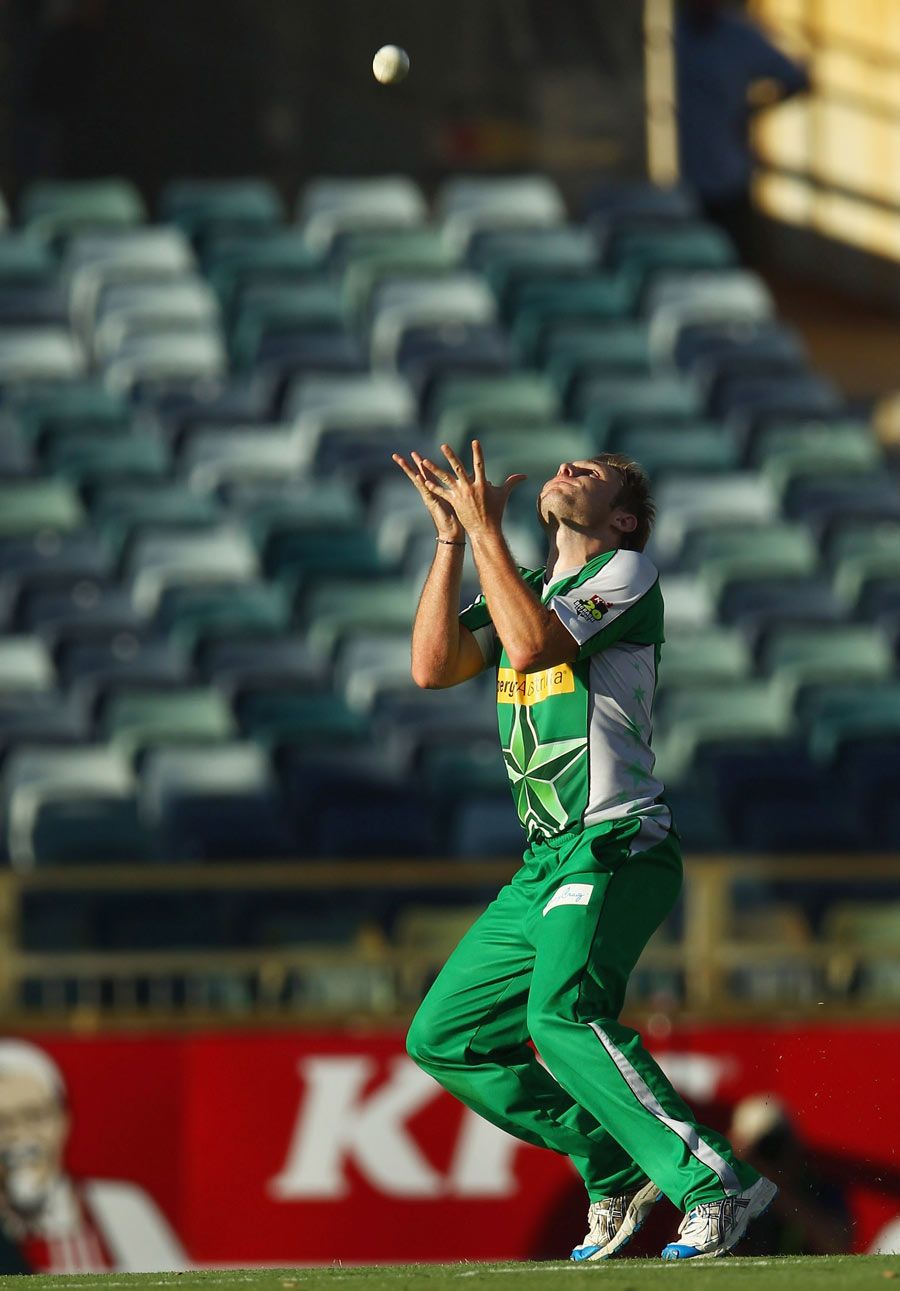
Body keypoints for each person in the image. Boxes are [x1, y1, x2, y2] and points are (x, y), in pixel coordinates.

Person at [391, 441, 776, 1262]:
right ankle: (612, 1161)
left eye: (591, 473)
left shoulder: (627, 575)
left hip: (613, 843)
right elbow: (431, 667)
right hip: (543, 864)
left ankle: (715, 1183)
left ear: (624, 520)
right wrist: (453, 540)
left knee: (561, 1015)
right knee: (443, 1035)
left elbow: (530, 649)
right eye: (567, 465)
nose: (567, 469)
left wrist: (486, 526)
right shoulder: (521, 587)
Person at [0, 1040, 187, 1273]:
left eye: (34, 1116)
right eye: (3, 1123)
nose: (18, 1135)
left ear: (62, 1120)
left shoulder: (120, 1208)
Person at [676, 0, 810, 261]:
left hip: (727, 177)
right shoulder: (670, 33)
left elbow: (798, 78)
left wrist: (751, 111)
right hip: (679, 181)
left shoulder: (739, 36)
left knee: (735, 259)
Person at [728, 1094, 853, 1256]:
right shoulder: (727, 1188)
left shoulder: (818, 1187)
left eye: (775, 1143)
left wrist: (780, 1193)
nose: (767, 1153)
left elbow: (839, 1247)